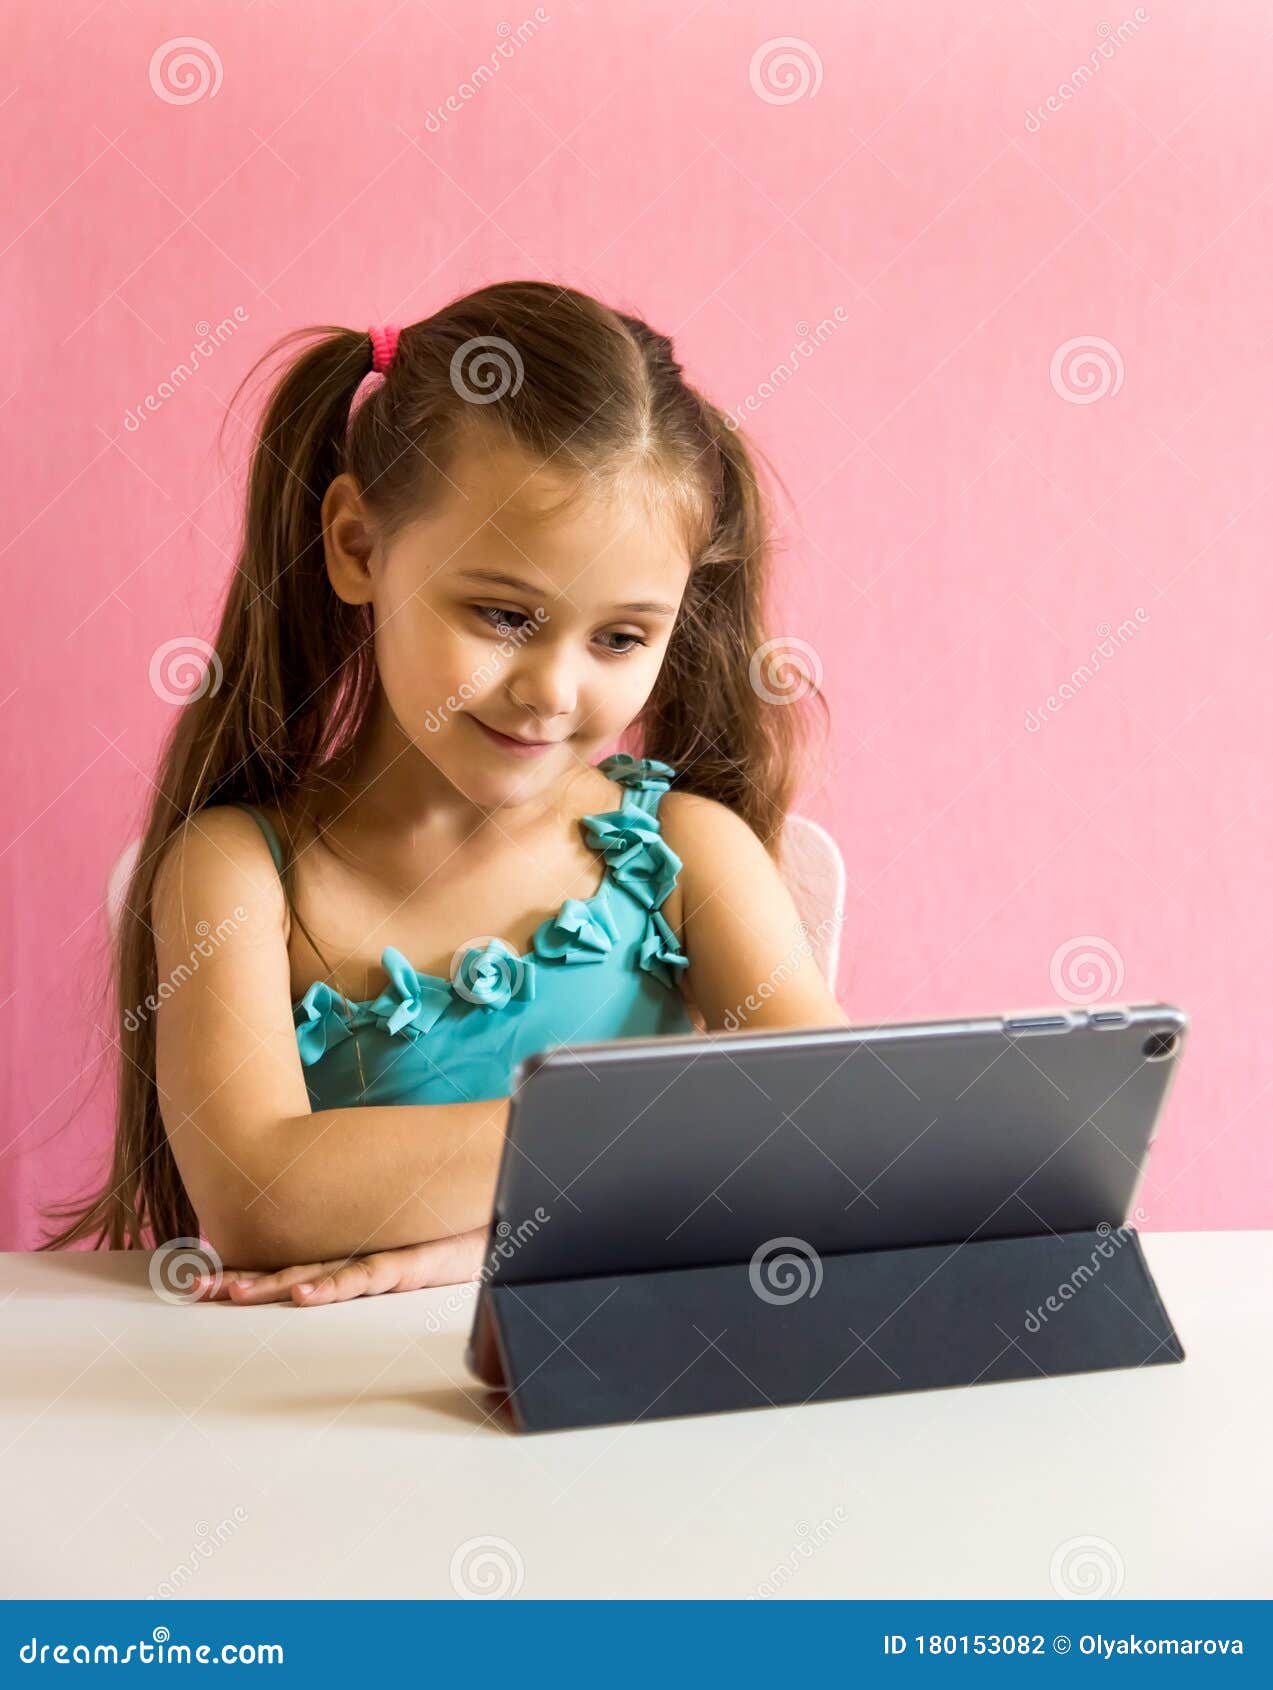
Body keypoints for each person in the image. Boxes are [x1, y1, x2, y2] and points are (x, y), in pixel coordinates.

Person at [41, 281, 847, 1304]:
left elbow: (832, 1133)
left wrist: (497, 1243)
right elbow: (258, 1200)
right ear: (357, 547)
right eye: (504, 615)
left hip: (640, 1425)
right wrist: (654, 1140)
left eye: (620, 637)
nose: (554, 690)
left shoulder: (687, 853)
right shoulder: (237, 873)